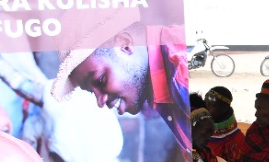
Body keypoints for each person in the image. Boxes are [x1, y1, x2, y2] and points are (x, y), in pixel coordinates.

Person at [53, 11, 190, 148]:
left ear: (124, 45)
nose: (101, 102)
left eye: (100, 80)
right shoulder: (168, 77)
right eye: (91, 92)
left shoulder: (182, 70)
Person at [204, 86, 246, 162]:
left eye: (211, 106)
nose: (205, 108)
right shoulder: (199, 128)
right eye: (204, 103)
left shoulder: (237, 141)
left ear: (224, 108)